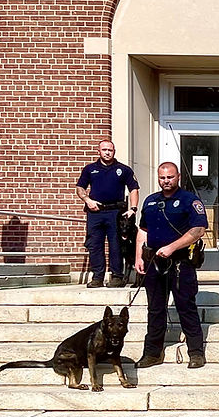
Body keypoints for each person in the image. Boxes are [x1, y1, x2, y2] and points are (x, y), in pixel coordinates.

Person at [134, 162, 208, 369]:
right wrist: (138, 257)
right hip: (154, 263)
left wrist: (172, 247)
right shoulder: (150, 201)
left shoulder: (189, 201)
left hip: (180, 263)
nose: (166, 181)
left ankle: (196, 353)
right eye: (162, 177)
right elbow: (143, 231)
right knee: (155, 309)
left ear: (178, 178)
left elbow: (198, 230)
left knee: (186, 307)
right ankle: (152, 353)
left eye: (170, 177)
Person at [75, 140, 140, 288]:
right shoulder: (90, 169)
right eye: (104, 149)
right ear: (99, 151)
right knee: (94, 245)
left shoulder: (123, 170)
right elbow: (80, 188)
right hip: (95, 212)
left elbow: (134, 189)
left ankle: (117, 277)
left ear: (114, 151)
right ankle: (97, 277)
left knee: (116, 244)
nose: (107, 152)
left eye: (110, 150)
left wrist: (133, 208)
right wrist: (87, 200)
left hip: (116, 213)